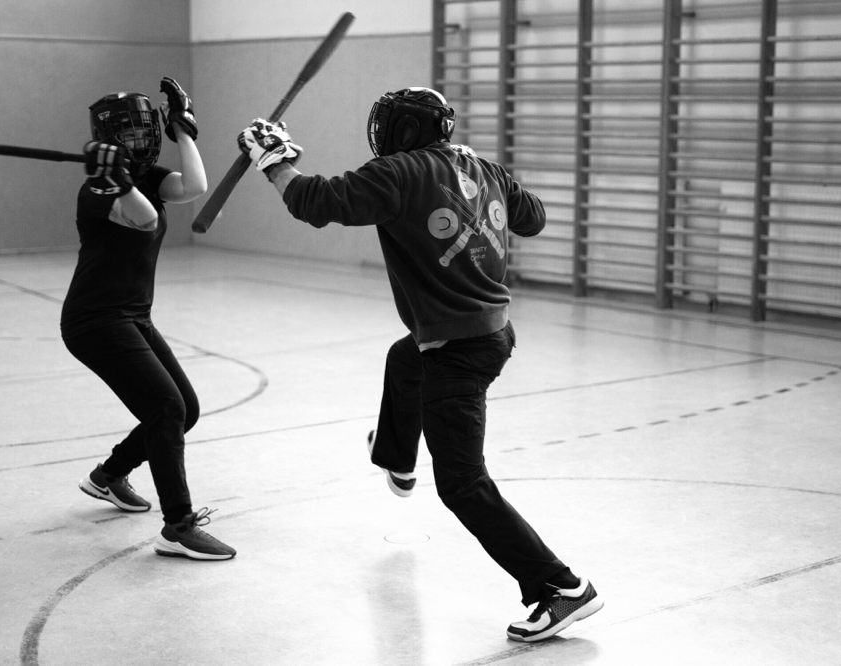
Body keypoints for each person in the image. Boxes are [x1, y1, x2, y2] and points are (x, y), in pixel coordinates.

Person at [235, 87, 602, 640]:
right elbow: (535, 219)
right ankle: (397, 459)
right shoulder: (482, 167)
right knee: (403, 359)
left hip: (457, 351)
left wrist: (275, 160)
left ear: (402, 130)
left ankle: (560, 588)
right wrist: (477, 180)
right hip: (491, 333)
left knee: (461, 484)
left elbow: (314, 202)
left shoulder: (398, 174)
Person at [61, 78, 235, 561]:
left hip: (133, 316)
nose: (141, 140)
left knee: (185, 410)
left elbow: (193, 187)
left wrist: (184, 132)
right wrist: (116, 181)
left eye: (147, 129)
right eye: (130, 134)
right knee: (166, 409)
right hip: (94, 321)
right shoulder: (96, 190)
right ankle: (177, 526)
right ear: (110, 137)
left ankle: (108, 476)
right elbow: (146, 221)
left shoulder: (145, 174)